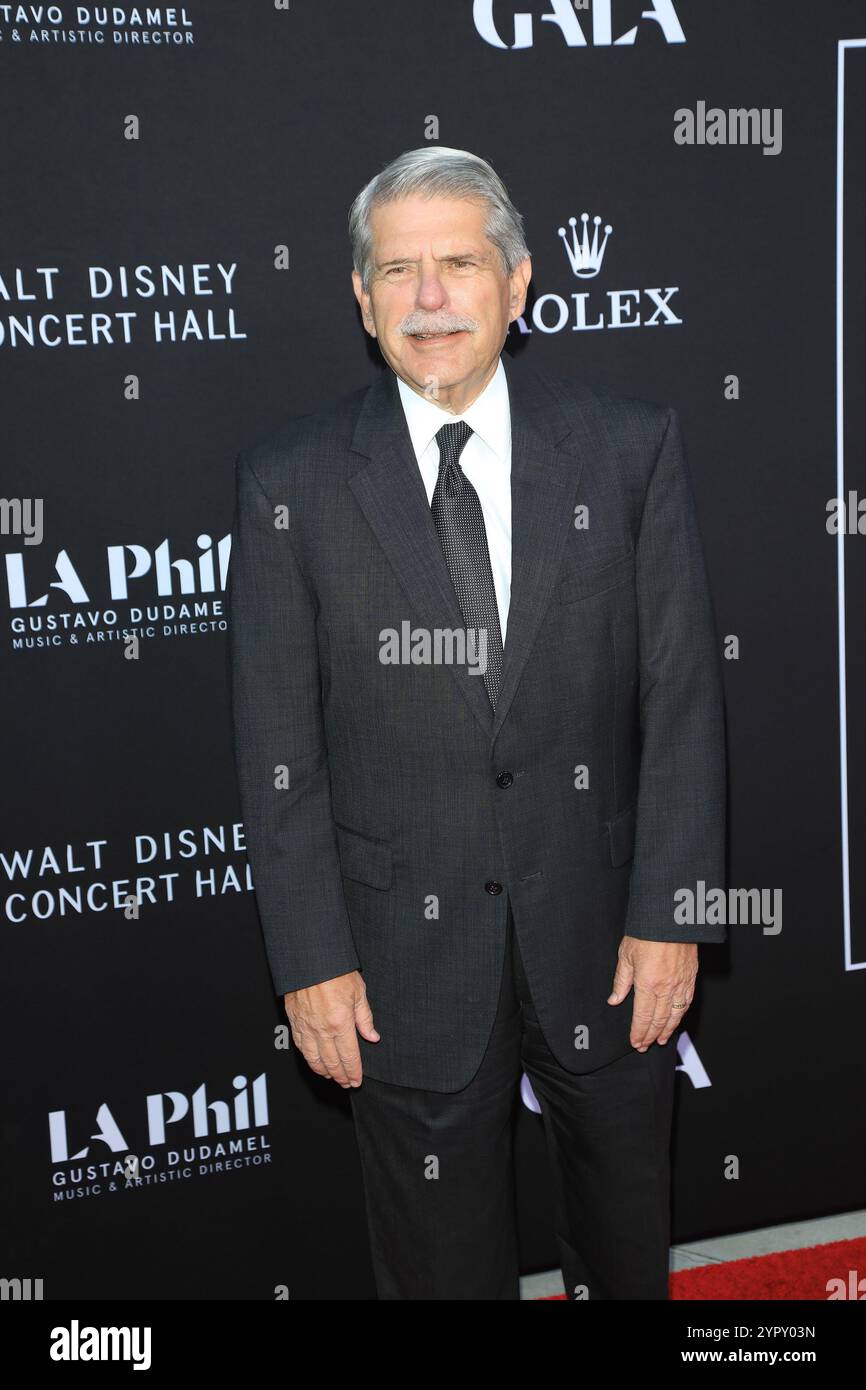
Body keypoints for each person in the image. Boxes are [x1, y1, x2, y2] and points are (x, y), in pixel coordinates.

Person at [227, 145, 727, 1300]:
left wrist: (672, 913)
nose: (430, 298)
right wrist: (309, 961)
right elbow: (277, 749)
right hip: (402, 963)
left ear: (519, 281)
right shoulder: (287, 481)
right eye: (396, 271)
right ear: (360, 299)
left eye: (458, 263)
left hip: (607, 938)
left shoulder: (626, 444)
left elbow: (683, 701)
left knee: (621, 1254)